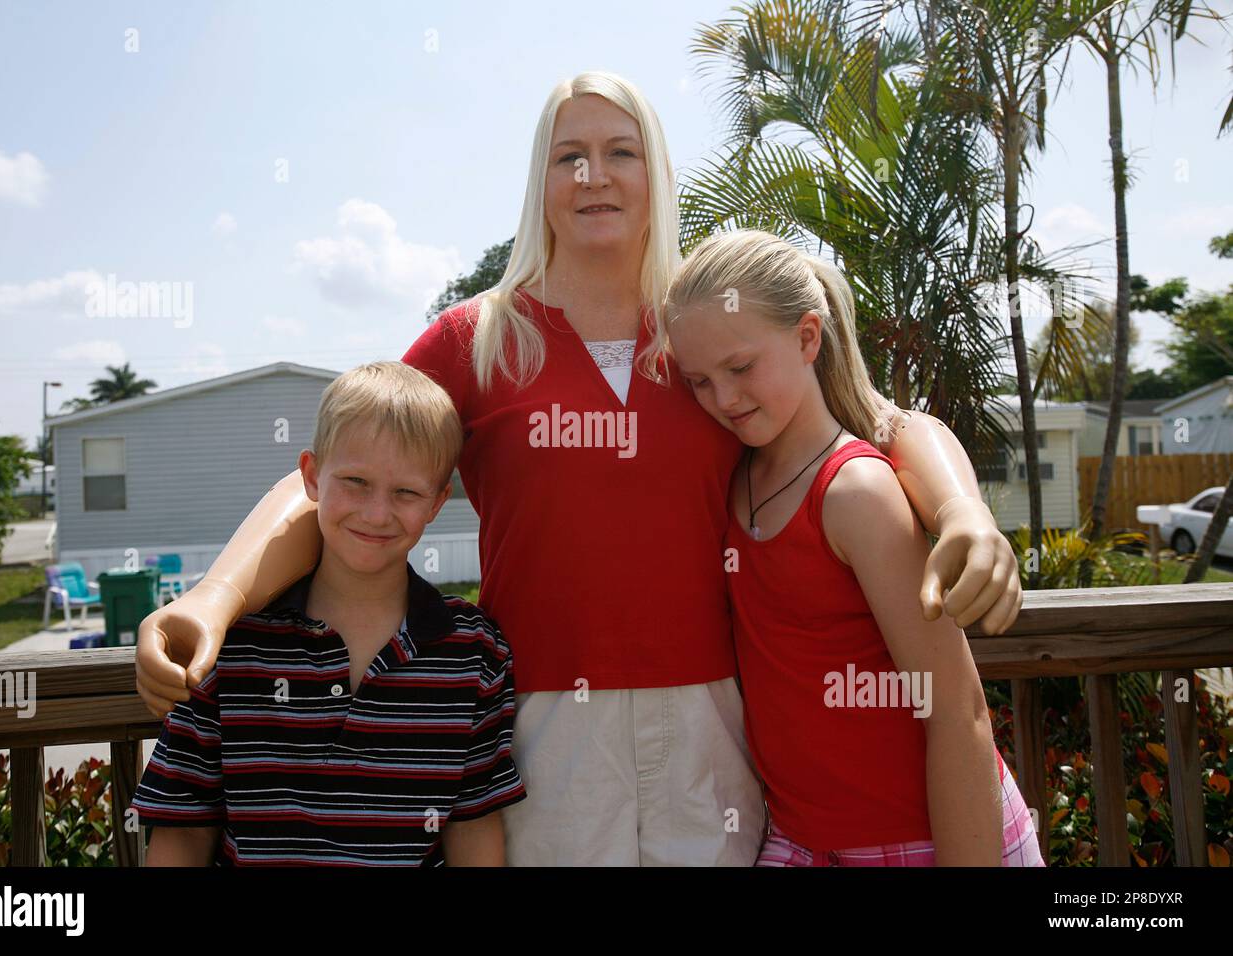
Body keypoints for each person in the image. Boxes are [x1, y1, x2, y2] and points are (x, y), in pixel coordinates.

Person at [134, 72, 1021, 866]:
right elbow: (334, 477)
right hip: (545, 723)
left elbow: (884, 422)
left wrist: (963, 513)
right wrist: (211, 600)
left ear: (656, 171)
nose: (594, 176)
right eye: (569, 156)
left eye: (620, 152)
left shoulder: (706, 332)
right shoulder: (473, 339)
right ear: (541, 181)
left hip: (716, 722)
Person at [663, 230, 1043, 866]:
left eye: (741, 367)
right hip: (801, 838)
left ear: (808, 337)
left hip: (922, 838)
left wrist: (961, 510)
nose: (723, 399)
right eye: (699, 381)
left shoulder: (855, 490)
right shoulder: (733, 467)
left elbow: (956, 710)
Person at [130, 362, 525, 865]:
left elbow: (474, 826)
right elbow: (183, 832)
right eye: (355, 481)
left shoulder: (473, 651)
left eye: (406, 492)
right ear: (311, 477)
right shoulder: (230, 648)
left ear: (438, 502)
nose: (377, 513)